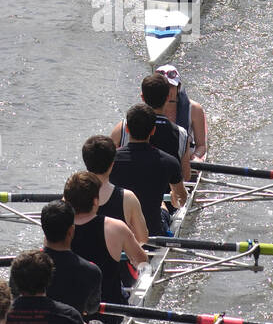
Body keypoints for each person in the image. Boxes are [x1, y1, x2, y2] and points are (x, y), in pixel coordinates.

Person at [64, 171, 149, 324]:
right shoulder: (115, 227)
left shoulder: (57, 227)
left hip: (69, 315)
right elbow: (142, 261)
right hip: (109, 313)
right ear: (96, 201)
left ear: (66, 201)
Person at [110, 102, 187, 236]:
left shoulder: (108, 159)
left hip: (116, 231)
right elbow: (181, 200)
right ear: (153, 130)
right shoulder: (170, 162)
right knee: (162, 205)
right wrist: (174, 198)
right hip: (152, 231)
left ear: (127, 129)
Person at [110, 72, 191, 178]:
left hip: (127, 190)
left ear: (142, 97)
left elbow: (106, 163)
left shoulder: (123, 126)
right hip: (164, 192)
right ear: (168, 97)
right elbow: (186, 175)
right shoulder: (182, 134)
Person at [40, 199, 103, 318]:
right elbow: (92, 308)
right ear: (71, 230)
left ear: (43, 228)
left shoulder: (23, 265)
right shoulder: (91, 271)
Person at [81, 134, 149, 243]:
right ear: (112, 164)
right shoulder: (128, 197)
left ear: (86, 161)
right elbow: (143, 239)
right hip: (116, 259)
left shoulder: (72, 194)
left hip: (80, 258)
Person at [155, 63, 208, 158]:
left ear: (178, 87)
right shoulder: (147, 110)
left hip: (186, 157)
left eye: (171, 86)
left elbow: (201, 146)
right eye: (163, 87)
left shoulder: (195, 110)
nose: (167, 91)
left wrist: (196, 157)